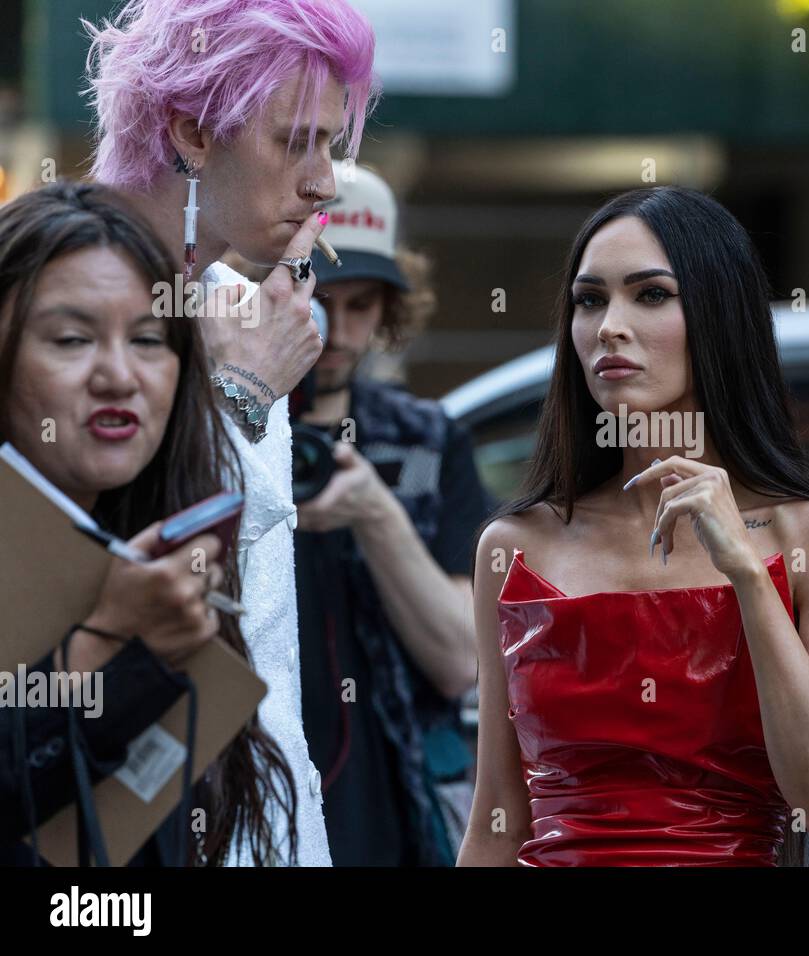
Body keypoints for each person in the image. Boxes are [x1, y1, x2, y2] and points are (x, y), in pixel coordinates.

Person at [458, 186, 809, 867]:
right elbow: (497, 823)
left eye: (651, 294)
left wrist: (746, 574)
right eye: (589, 300)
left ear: (720, 315)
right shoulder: (516, 547)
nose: (609, 327)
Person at [82, 0, 380, 864]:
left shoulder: (243, 308)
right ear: (190, 133)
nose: (324, 183)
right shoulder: (67, 301)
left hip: (266, 816)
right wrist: (242, 395)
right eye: (297, 142)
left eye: (332, 146)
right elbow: (100, 569)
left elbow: (264, 636)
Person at [0, 181, 296, 866]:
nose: (119, 375)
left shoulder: (162, 555)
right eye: (72, 339)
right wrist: (104, 644)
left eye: (148, 339)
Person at [291, 161, 492, 865]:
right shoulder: (225, 427)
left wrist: (376, 514)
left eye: (363, 305)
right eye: (319, 299)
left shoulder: (426, 440)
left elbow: (460, 662)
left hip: (394, 798)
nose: (340, 333)